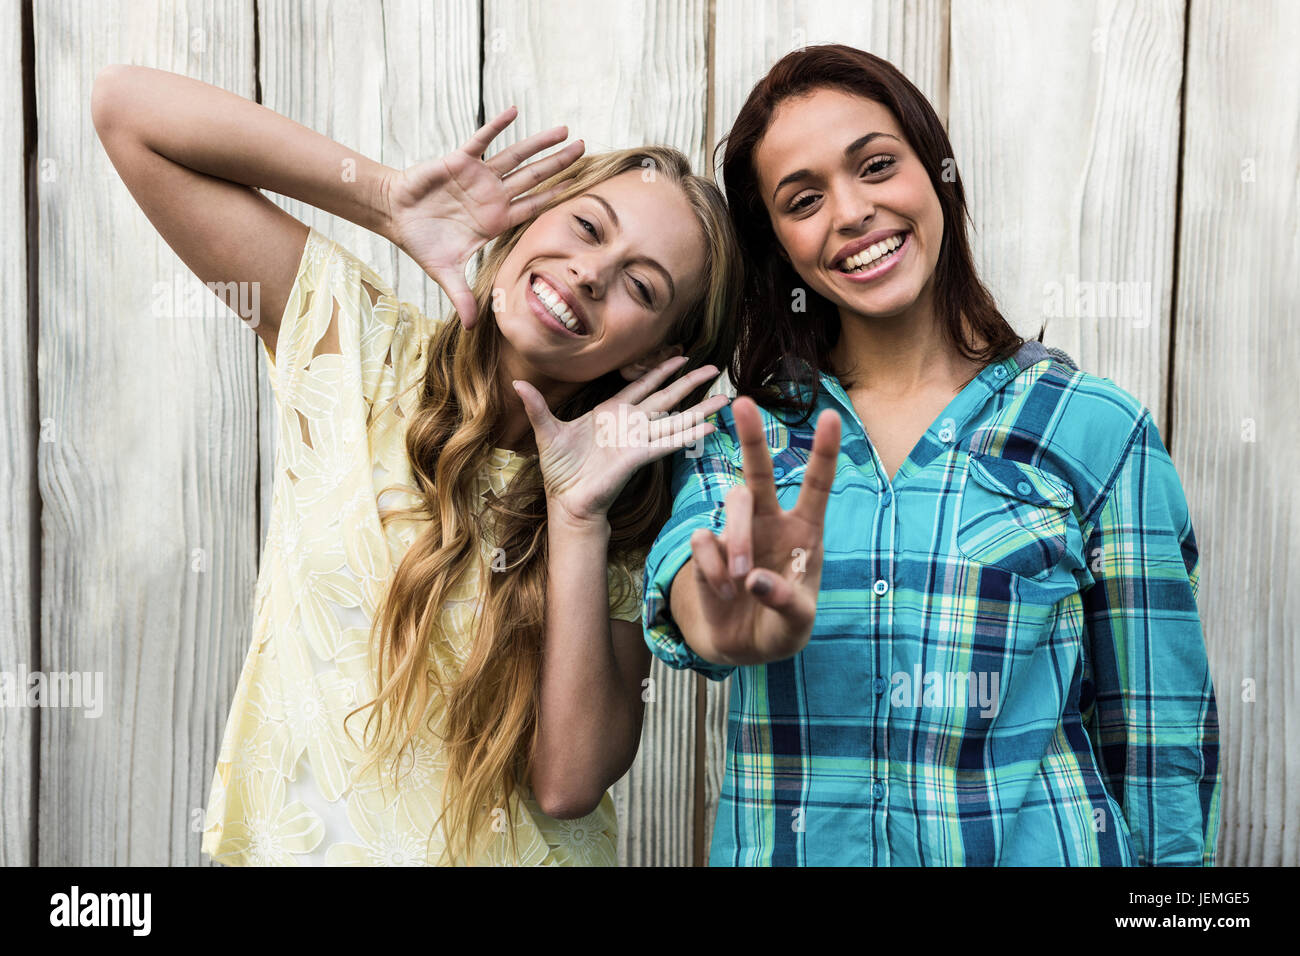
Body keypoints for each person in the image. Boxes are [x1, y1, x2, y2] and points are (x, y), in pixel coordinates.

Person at [91, 64, 742, 865]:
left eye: (641, 287)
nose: (590, 273)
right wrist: (385, 199)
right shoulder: (358, 350)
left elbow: (568, 785)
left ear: (653, 360)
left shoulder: (626, 506)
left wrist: (576, 517)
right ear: (532, 215)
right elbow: (128, 111)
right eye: (587, 227)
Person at [642, 44, 1220, 866]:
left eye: (876, 165)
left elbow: (1160, 737)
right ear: (776, 244)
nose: (850, 212)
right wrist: (731, 619)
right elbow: (695, 597)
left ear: (936, 172)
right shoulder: (742, 439)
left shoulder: (1096, 430)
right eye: (802, 199)